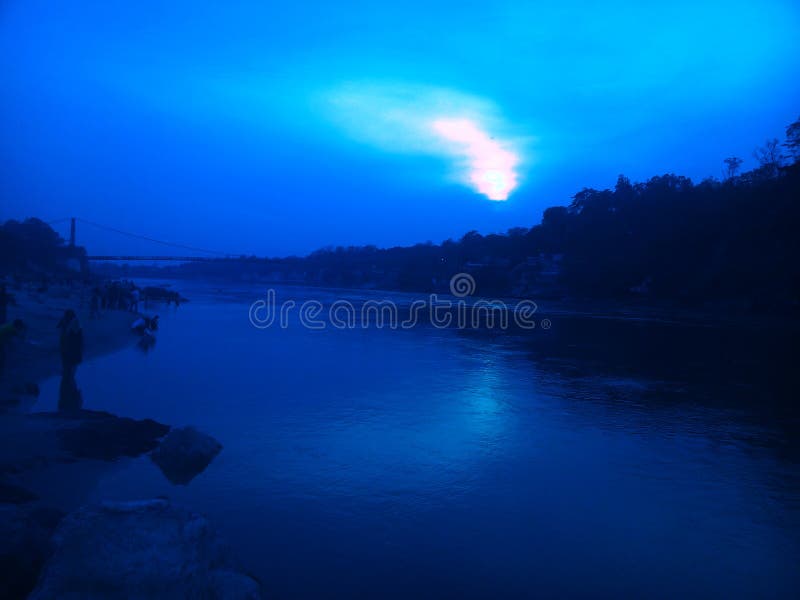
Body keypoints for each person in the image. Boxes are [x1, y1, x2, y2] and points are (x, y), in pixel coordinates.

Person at [57, 309, 84, 377]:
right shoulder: (75, 322)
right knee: (72, 361)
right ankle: (70, 375)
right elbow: (78, 335)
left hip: (67, 344)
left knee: (68, 360)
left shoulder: (68, 321)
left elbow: (59, 328)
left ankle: (67, 373)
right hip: (71, 345)